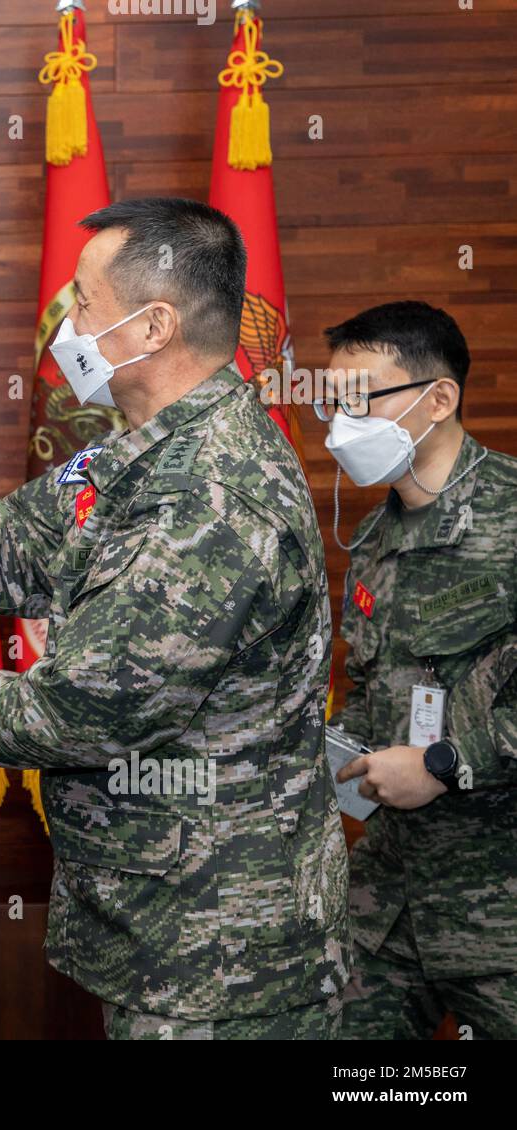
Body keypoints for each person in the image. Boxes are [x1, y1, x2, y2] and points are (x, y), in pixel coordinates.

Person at [0, 197, 351, 1039]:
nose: (67, 322)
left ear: (153, 324)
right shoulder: (139, 449)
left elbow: (94, 707)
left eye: (83, 302)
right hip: (164, 924)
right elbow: (15, 541)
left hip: (223, 951)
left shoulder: (210, 493)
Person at [317, 301, 517, 1039]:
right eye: (333, 402)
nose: (342, 422)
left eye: (361, 399)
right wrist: (328, 752)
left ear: (440, 398)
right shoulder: (370, 540)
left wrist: (443, 759)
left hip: (499, 911)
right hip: (390, 908)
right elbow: (378, 692)